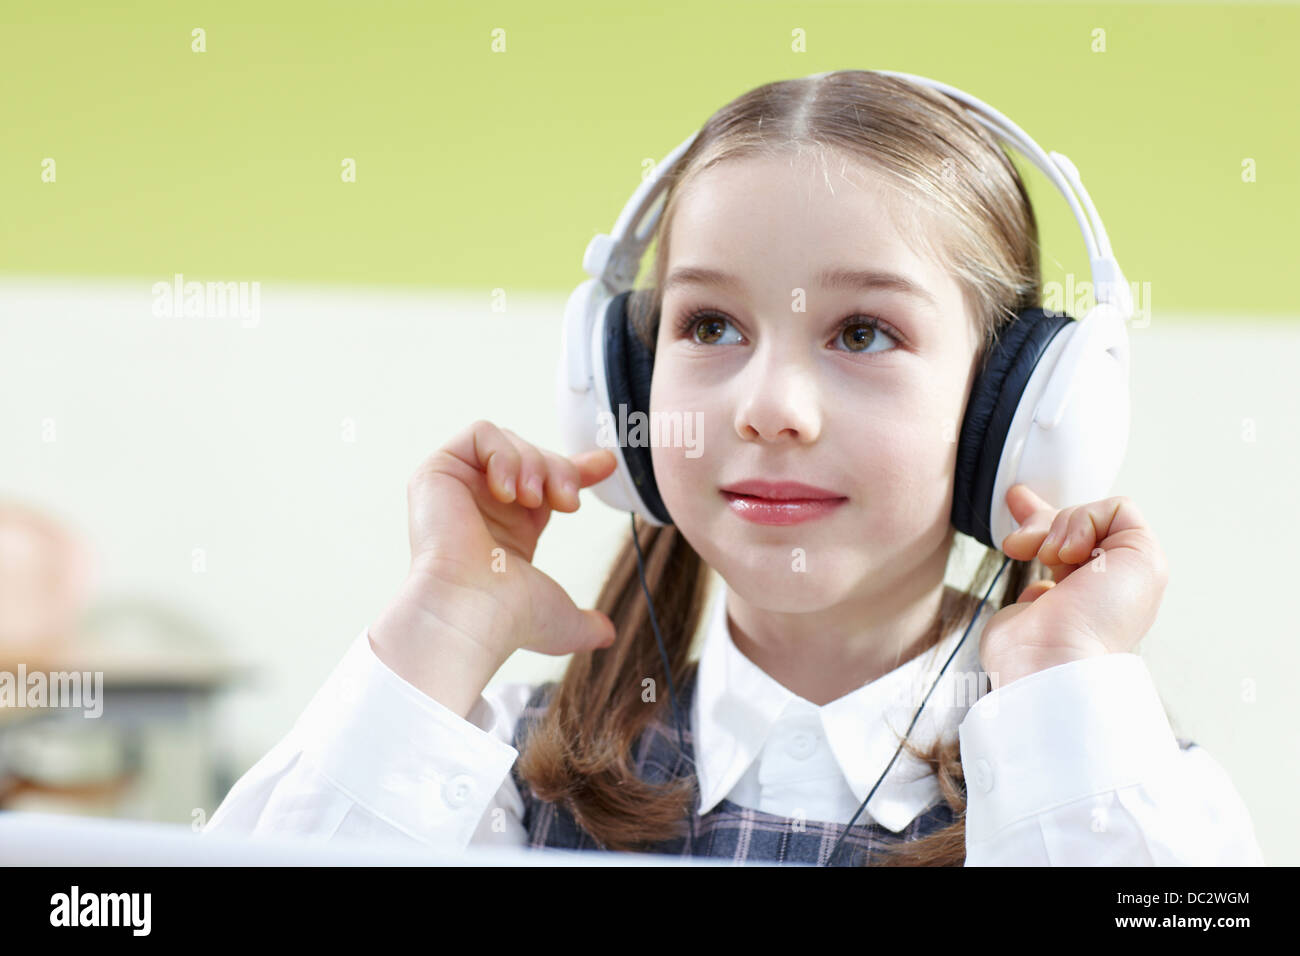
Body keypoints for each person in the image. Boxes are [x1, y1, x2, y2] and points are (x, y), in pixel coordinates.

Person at [203, 71, 1263, 865]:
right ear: (622, 380)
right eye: (707, 323)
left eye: (860, 333)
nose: (768, 409)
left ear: (1019, 411)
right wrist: (439, 624)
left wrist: (1064, 683)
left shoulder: (1109, 782)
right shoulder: (500, 781)